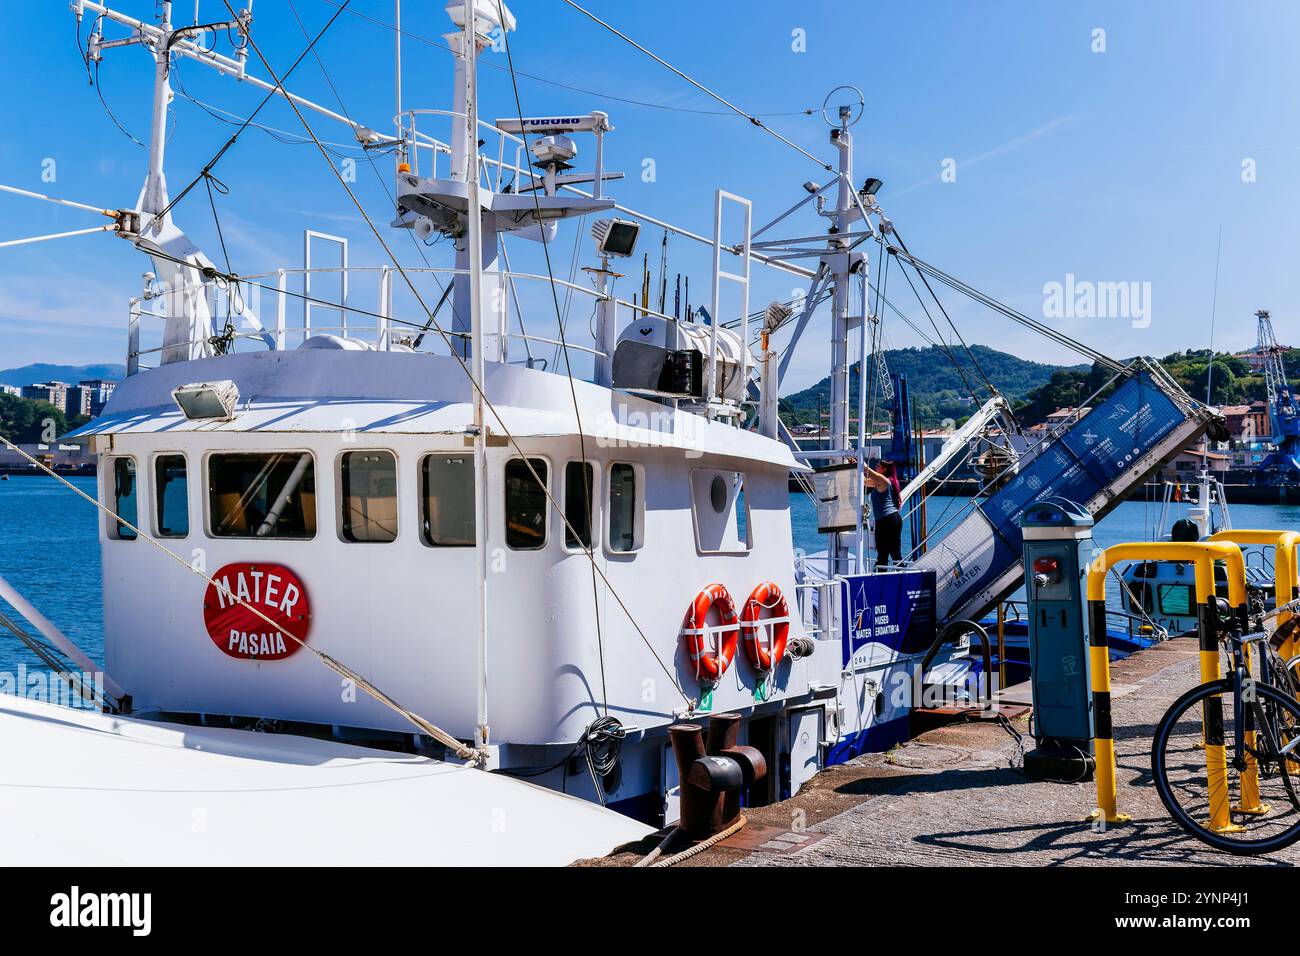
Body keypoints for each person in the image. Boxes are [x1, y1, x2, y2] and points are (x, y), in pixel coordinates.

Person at [865, 459, 903, 567]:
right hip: (888, 520)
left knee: (890, 553)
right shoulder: (881, 482)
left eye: (878, 466)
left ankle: (900, 578)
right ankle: (889, 578)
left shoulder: (883, 481)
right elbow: (863, 480)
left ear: (884, 469)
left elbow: (866, 469)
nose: (876, 468)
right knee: (885, 553)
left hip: (887, 520)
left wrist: (857, 459)